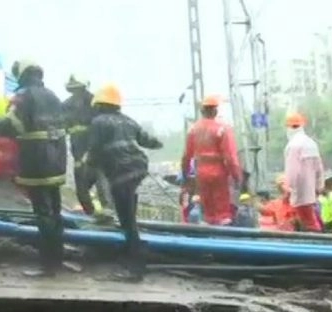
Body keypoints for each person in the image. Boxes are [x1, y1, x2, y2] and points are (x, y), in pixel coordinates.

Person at [0, 60, 69, 276]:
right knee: (56, 212)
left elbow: (11, 125)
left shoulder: (22, 96)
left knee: (42, 213)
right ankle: (57, 261)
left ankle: (47, 267)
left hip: (36, 159)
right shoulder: (53, 96)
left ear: (21, 75)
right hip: (57, 157)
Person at [86, 83, 163, 281]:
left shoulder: (98, 122)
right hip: (138, 168)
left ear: (100, 104)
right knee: (129, 217)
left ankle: (135, 269)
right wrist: (159, 142)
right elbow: (148, 140)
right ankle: (130, 257)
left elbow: (94, 151)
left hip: (122, 173)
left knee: (127, 222)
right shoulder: (128, 121)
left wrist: (87, 175)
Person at [182, 95, 242, 225]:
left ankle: (208, 234)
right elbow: (230, 157)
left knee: (207, 210)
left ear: (202, 111)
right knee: (222, 211)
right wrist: (237, 176)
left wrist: (185, 174)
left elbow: (186, 155)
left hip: (201, 173)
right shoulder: (223, 129)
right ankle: (223, 233)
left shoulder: (193, 129)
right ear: (215, 110)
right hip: (219, 172)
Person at [61, 74, 112, 215]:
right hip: (78, 154)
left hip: (98, 153)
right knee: (82, 189)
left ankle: (110, 214)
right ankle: (90, 214)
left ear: (83, 87)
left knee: (103, 184)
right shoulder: (66, 106)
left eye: (78, 88)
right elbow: (62, 127)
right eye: (73, 89)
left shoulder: (96, 103)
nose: (75, 92)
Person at [283, 112, 324, 232]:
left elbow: (292, 171)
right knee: (311, 219)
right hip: (311, 191)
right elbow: (319, 167)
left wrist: (289, 189)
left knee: (307, 223)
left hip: (299, 192)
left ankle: (314, 245)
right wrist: (319, 186)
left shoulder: (293, 146)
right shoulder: (311, 143)